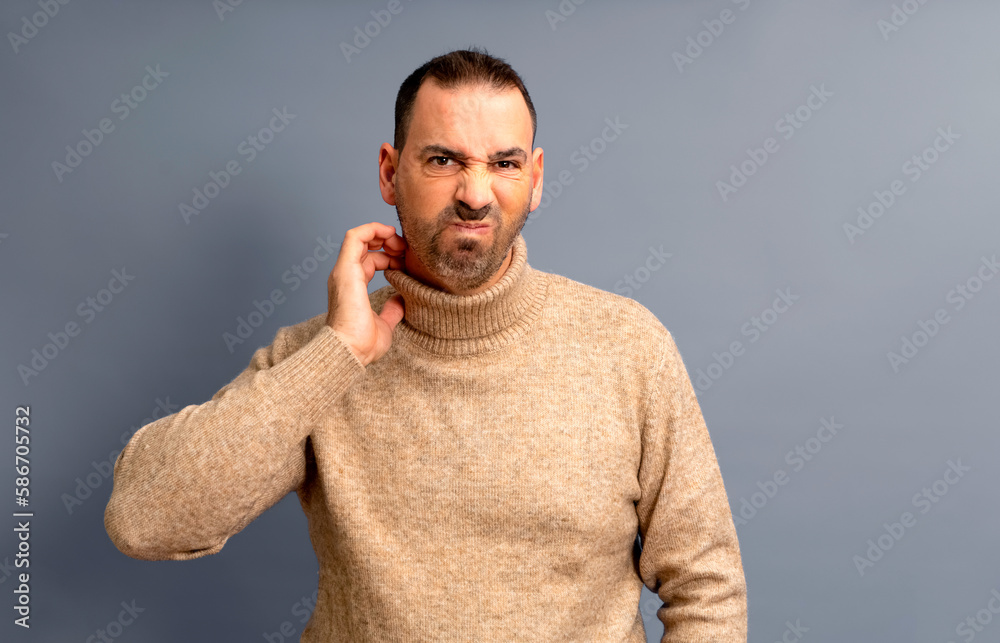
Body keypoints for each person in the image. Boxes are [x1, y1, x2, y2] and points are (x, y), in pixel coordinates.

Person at [104, 47, 747, 642]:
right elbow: (142, 519)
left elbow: (707, 589)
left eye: (504, 164)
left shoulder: (628, 346)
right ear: (390, 173)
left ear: (535, 178)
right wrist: (339, 353)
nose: (475, 195)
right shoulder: (320, 360)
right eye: (444, 161)